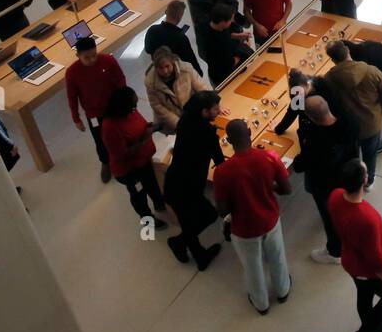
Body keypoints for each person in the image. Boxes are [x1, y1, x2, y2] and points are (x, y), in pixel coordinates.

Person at [212, 120, 292, 316]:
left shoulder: (221, 172)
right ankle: (283, 290)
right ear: (249, 132)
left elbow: (223, 210)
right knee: (277, 257)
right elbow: (286, 189)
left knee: (252, 266)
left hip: (244, 229)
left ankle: (261, 303)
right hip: (270, 221)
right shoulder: (270, 157)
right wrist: (267, 186)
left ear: (228, 140)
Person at [330, 159, 382, 332]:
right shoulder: (368, 219)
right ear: (365, 180)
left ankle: (372, 328)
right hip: (369, 269)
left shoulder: (334, 197)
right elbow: (377, 260)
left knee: (364, 296)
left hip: (351, 262)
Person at [163, 89, 224, 270]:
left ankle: (185, 247)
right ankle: (183, 246)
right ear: (204, 112)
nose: (219, 111)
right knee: (209, 215)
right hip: (188, 187)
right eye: (214, 109)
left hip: (175, 181)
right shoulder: (206, 132)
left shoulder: (185, 121)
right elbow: (220, 161)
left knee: (189, 222)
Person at [295, 94, 359, 263]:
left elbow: (300, 165)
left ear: (310, 117)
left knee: (329, 217)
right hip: (348, 175)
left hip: (325, 185)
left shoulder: (315, 140)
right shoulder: (348, 121)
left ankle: (335, 251)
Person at [324, 40, 382, 189]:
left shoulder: (329, 79)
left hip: (348, 128)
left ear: (333, 59)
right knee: (370, 156)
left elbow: (329, 104)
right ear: (348, 50)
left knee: (351, 157)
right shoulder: (370, 71)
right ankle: (369, 181)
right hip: (371, 125)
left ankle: (353, 181)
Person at [100, 87, 169, 229]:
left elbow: (140, 126)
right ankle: (148, 222)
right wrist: (144, 139)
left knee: (151, 182)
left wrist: (153, 127)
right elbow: (122, 154)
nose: (136, 109)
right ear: (122, 107)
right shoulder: (110, 127)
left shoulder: (130, 110)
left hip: (144, 160)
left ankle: (159, 204)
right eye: (133, 106)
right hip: (129, 170)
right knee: (139, 195)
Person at [66, 37, 126, 182]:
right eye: (87, 57)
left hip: (114, 107)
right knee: (100, 140)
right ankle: (105, 162)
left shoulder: (108, 60)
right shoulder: (72, 73)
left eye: (94, 55)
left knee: (122, 132)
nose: (92, 59)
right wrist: (76, 118)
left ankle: (125, 157)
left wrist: (124, 99)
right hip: (94, 114)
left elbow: (120, 79)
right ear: (77, 56)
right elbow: (72, 97)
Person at [144, 46, 210, 135]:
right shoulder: (151, 82)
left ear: (172, 62)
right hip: (172, 120)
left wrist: (214, 103)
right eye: (160, 68)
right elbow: (158, 107)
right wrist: (179, 124)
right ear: (155, 67)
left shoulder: (186, 68)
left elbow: (201, 87)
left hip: (192, 113)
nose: (165, 71)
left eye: (167, 66)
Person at [187, 0, 240, 67]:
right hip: (210, 38)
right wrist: (222, 21)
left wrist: (229, 17)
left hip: (231, 29)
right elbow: (199, 21)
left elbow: (234, 4)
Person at [143, 0, 203, 76]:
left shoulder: (152, 30)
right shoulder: (181, 38)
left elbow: (148, 50)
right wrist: (199, 74)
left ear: (166, 12)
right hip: (177, 75)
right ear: (179, 17)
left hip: (159, 72)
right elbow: (191, 62)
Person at [204, 1, 255, 86]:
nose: (232, 21)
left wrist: (238, 35)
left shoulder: (214, 25)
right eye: (230, 20)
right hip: (225, 78)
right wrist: (245, 49)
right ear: (222, 22)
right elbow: (229, 64)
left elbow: (226, 34)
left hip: (225, 66)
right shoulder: (215, 43)